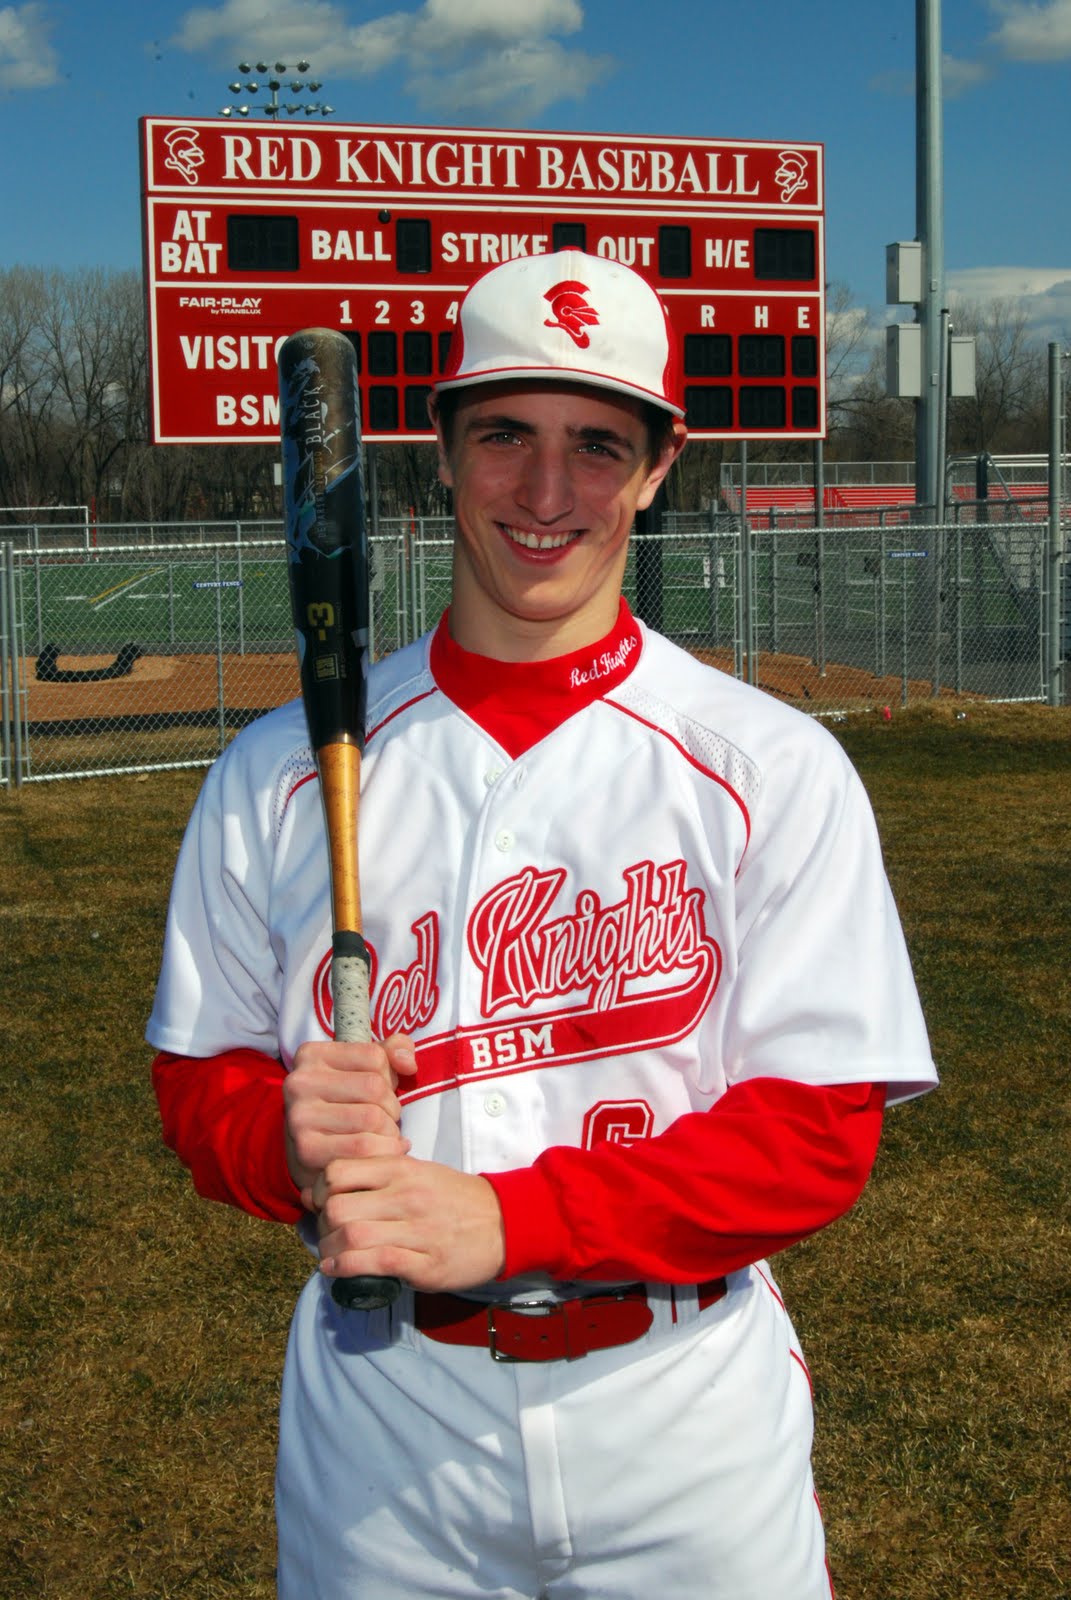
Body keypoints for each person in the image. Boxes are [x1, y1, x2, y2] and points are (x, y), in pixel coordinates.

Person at [148, 249, 937, 1600]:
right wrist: (278, 1136)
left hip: (681, 1410)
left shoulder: (767, 764)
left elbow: (814, 1135)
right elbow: (198, 1078)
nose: (549, 492)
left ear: (656, 467)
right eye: (507, 434)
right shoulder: (282, 773)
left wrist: (508, 1221)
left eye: (598, 444)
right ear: (442, 450)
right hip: (386, 1412)